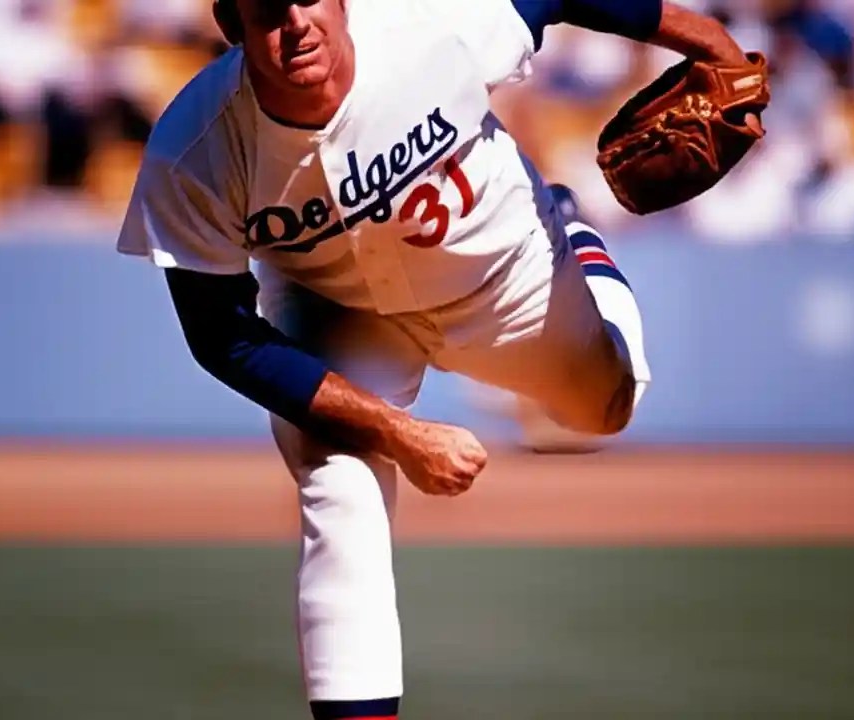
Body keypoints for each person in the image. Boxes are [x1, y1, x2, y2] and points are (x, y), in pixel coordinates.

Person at [116, 1, 756, 717]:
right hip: (338, 308)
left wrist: (712, 41)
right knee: (340, 482)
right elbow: (223, 337)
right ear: (233, 24)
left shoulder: (432, 22)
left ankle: (581, 243)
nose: (295, 22)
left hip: (503, 272)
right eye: (268, 8)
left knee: (602, 407)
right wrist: (396, 432)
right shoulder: (193, 149)